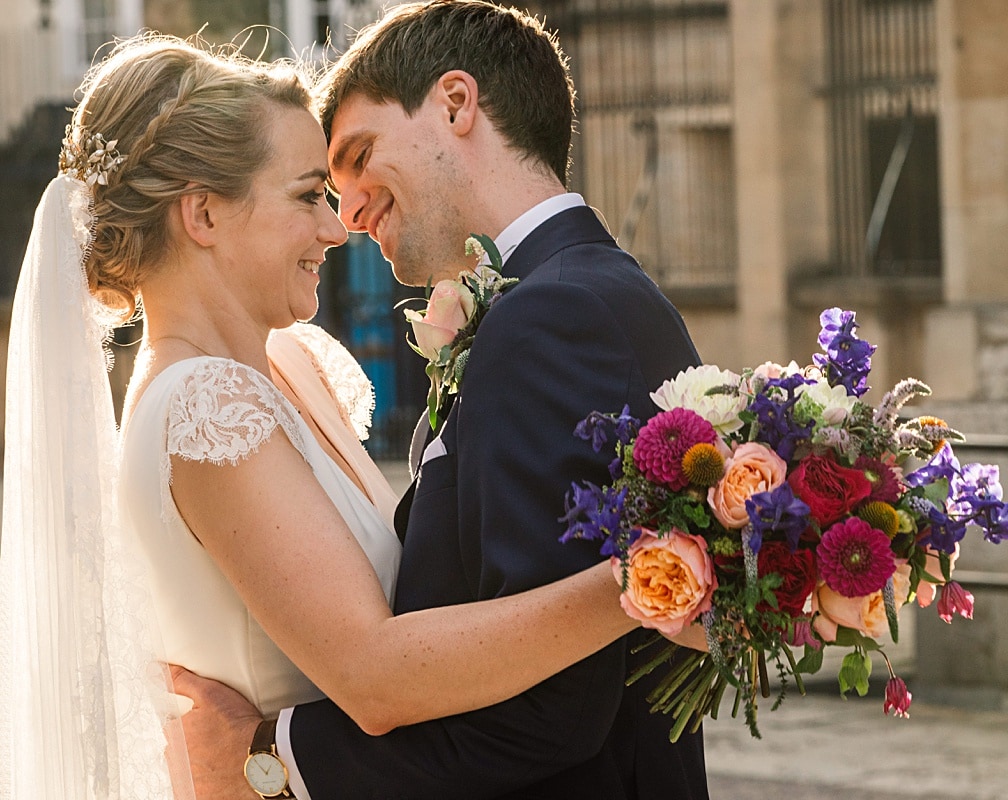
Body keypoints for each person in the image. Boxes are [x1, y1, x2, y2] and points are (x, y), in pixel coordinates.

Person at [0, 32, 662, 800]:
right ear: (204, 214)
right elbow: (376, 675)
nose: (337, 227)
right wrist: (646, 580)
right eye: (308, 194)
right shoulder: (201, 406)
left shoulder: (297, 366)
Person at [175, 2, 710, 798]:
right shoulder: (584, 294)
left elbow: (548, 709)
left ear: (455, 105)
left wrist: (269, 760)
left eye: (360, 157)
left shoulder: (551, 317)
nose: (349, 216)